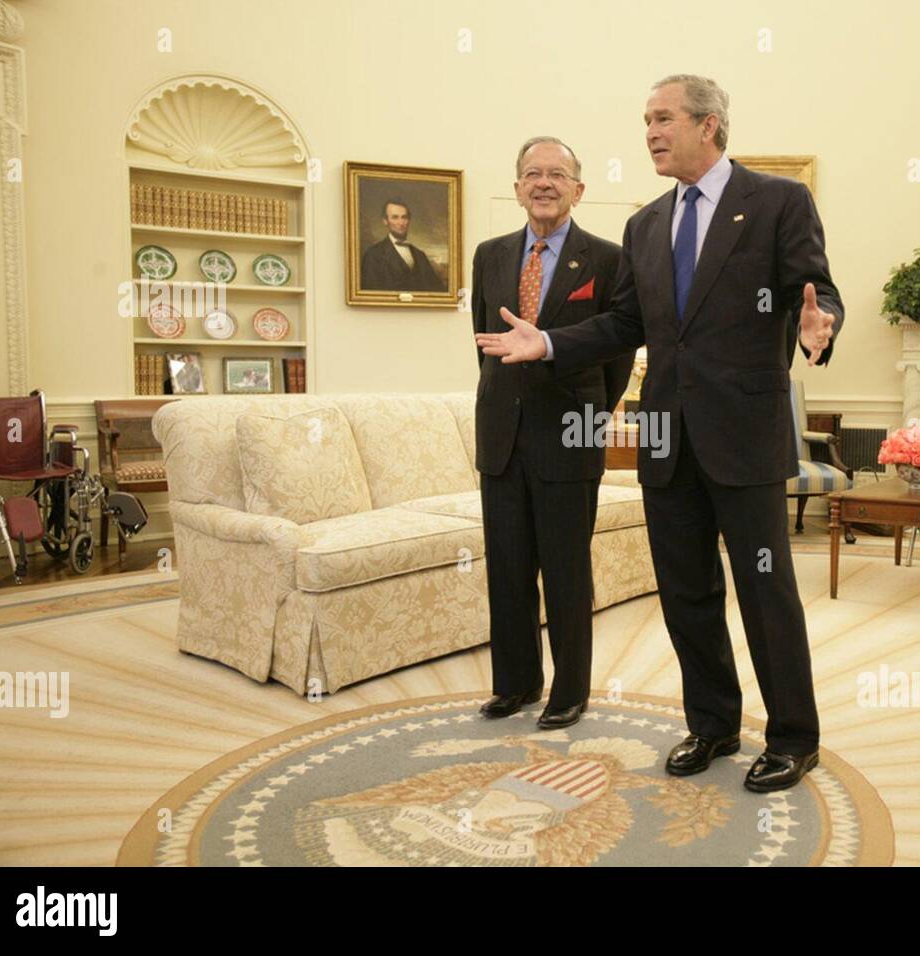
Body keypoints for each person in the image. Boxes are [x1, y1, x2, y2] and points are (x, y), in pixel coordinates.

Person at [476, 75, 844, 792]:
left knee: (765, 592)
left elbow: (814, 287)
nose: (650, 131)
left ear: (709, 125)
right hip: (668, 440)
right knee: (686, 591)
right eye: (646, 119)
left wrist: (817, 324)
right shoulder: (645, 225)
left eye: (663, 118)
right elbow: (624, 326)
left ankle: (794, 737)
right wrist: (548, 343)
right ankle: (711, 723)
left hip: (743, 437)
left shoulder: (775, 202)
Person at [473, 136, 634, 728]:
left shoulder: (609, 258)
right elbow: (487, 345)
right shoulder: (489, 254)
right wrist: (502, 404)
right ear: (517, 187)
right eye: (532, 174)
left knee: (566, 570)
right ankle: (515, 684)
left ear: (578, 189)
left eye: (557, 175)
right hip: (501, 435)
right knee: (507, 566)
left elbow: (618, 348)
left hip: (571, 433)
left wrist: (589, 415)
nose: (544, 183)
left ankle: (570, 691)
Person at [360, 198, 444, 291]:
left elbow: (437, 290)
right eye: (395, 217)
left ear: (409, 220)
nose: (401, 223)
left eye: (404, 217)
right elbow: (369, 293)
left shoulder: (420, 256)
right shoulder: (373, 255)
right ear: (385, 221)